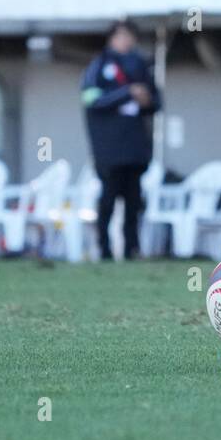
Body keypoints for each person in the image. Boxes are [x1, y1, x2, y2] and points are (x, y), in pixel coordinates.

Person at [81, 20, 161, 260]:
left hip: (135, 148)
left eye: (129, 36)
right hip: (108, 148)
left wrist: (146, 100)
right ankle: (103, 248)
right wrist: (127, 93)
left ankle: (131, 249)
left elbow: (156, 102)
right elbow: (91, 100)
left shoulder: (140, 66)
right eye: (120, 36)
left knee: (134, 202)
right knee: (108, 199)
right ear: (111, 39)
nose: (125, 41)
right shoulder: (100, 66)